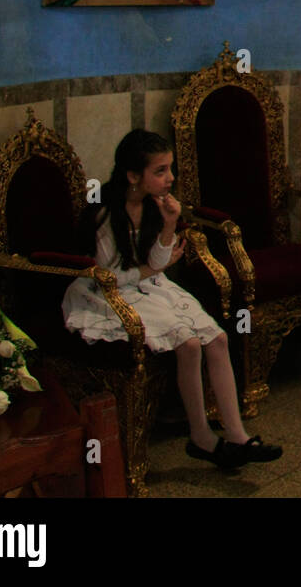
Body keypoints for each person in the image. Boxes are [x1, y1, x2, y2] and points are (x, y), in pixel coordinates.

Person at [62, 130, 282, 470]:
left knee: (219, 338)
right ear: (134, 175)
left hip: (149, 284)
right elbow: (110, 277)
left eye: (170, 168)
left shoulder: (155, 206)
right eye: (161, 170)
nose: (170, 178)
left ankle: (237, 434)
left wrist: (167, 226)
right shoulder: (106, 214)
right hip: (108, 294)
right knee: (190, 344)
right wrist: (152, 268)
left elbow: (158, 260)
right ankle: (201, 437)